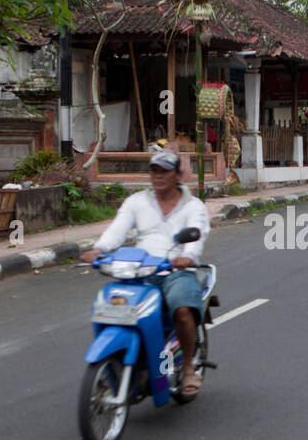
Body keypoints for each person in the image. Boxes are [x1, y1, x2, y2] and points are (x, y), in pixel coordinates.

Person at [80, 149, 211, 395]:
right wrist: (99, 249)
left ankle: (188, 368)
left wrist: (187, 256)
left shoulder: (193, 206)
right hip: (139, 272)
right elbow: (117, 229)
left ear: (177, 175)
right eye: (154, 170)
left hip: (175, 272)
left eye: (164, 171)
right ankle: (118, 363)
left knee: (182, 310)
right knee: (114, 309)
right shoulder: (136, 202)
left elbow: (197, 234)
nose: (158, 176)